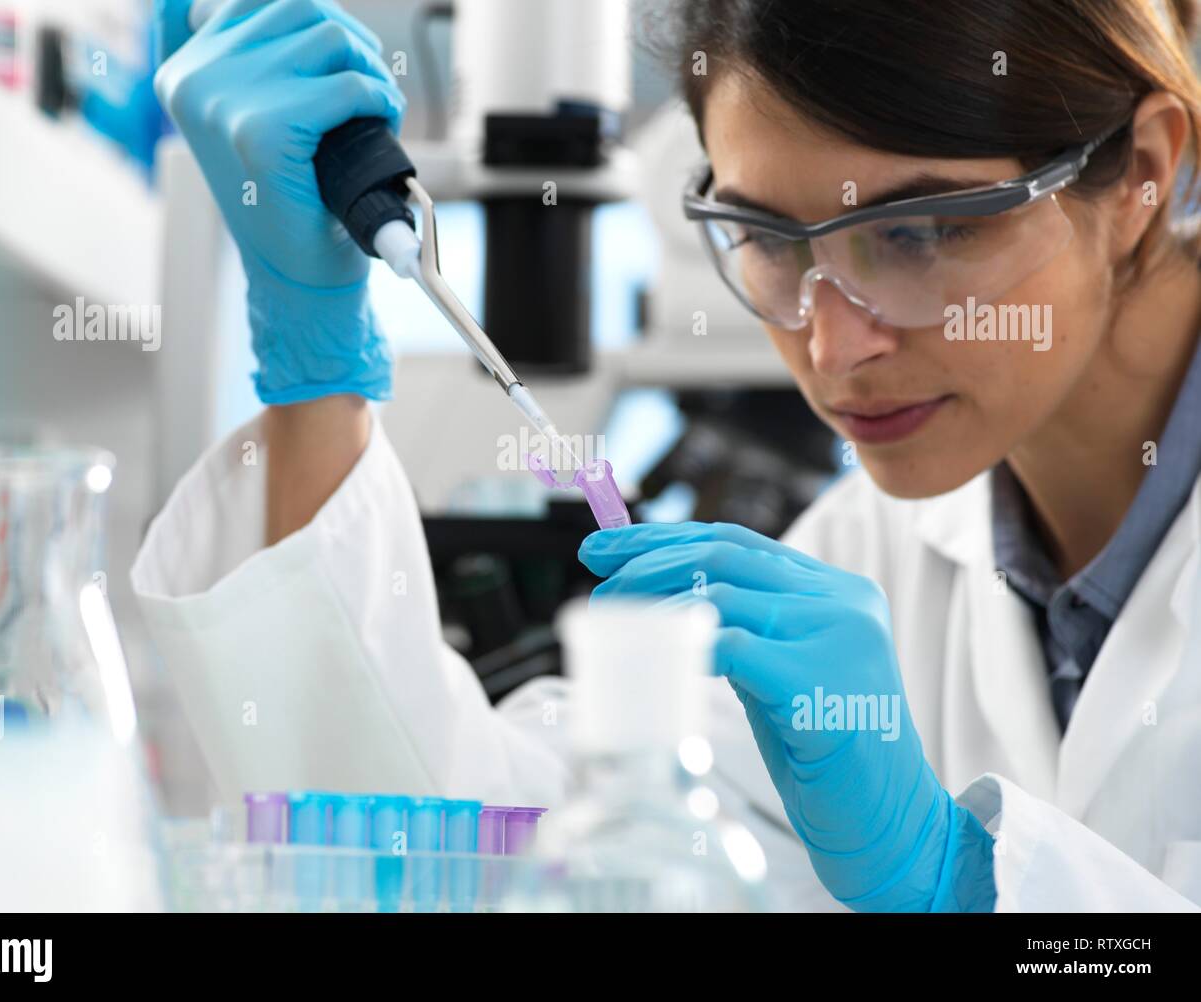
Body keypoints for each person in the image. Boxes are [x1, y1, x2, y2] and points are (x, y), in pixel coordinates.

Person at [133, 0, 1201, 911]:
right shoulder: (861, 564)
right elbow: (444, 851)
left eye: (916, 234)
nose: (831, 346)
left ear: (1144, 173)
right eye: (769, 242)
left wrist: (961, 880)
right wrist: (316, 363)